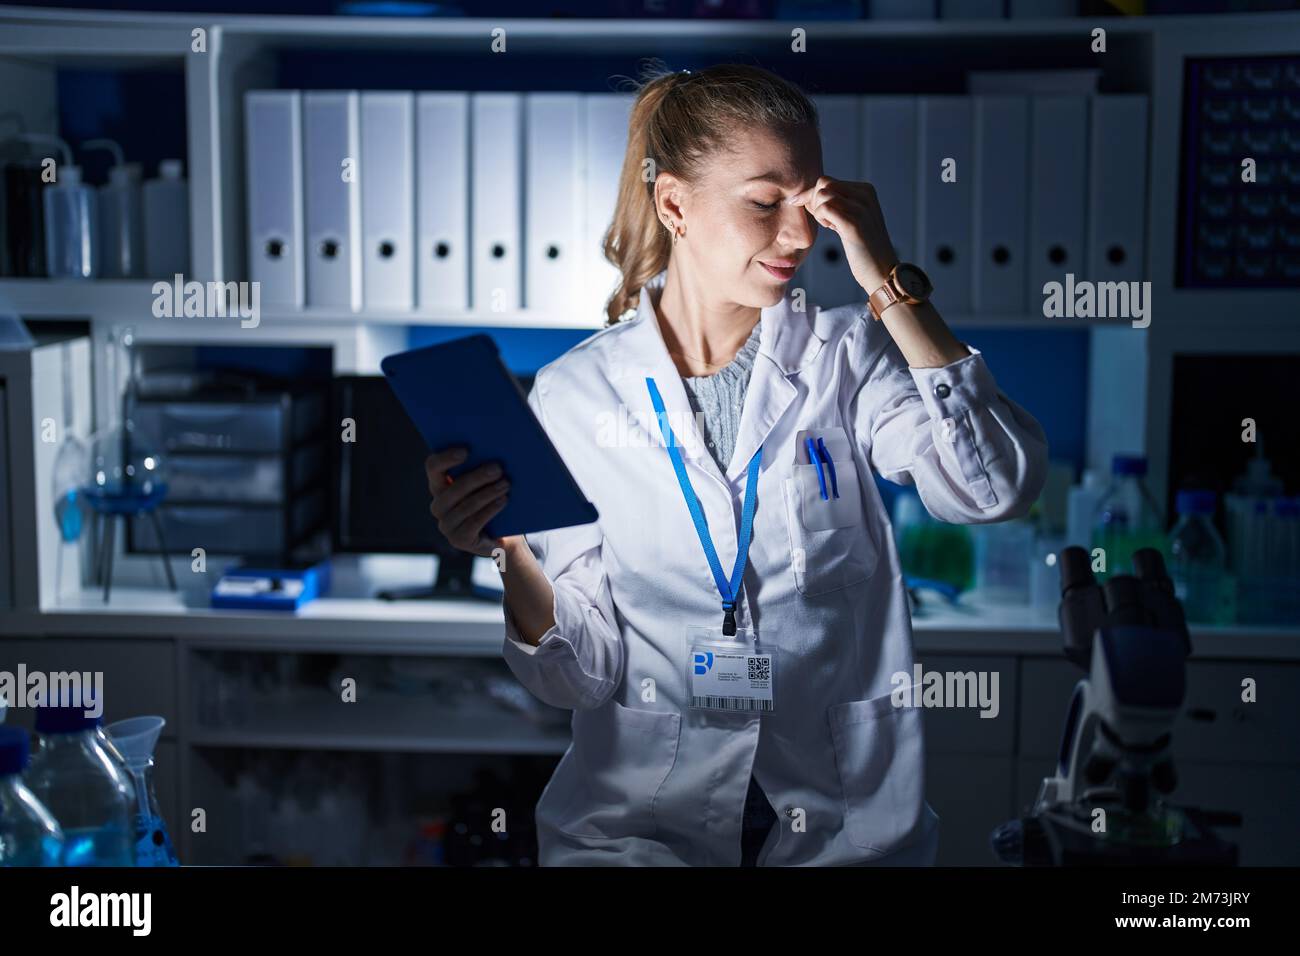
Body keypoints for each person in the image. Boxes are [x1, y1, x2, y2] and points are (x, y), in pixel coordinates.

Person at [425, 63, 1048, 866]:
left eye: (810, 202)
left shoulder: (845, 358)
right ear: (676, 204)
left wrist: (892, 287)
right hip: (638, 833)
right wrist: (509, 548)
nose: (801, 236)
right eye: (764, 204)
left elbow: (992, 489)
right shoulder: (576, 396)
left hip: (841, 830)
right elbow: (577, 677)